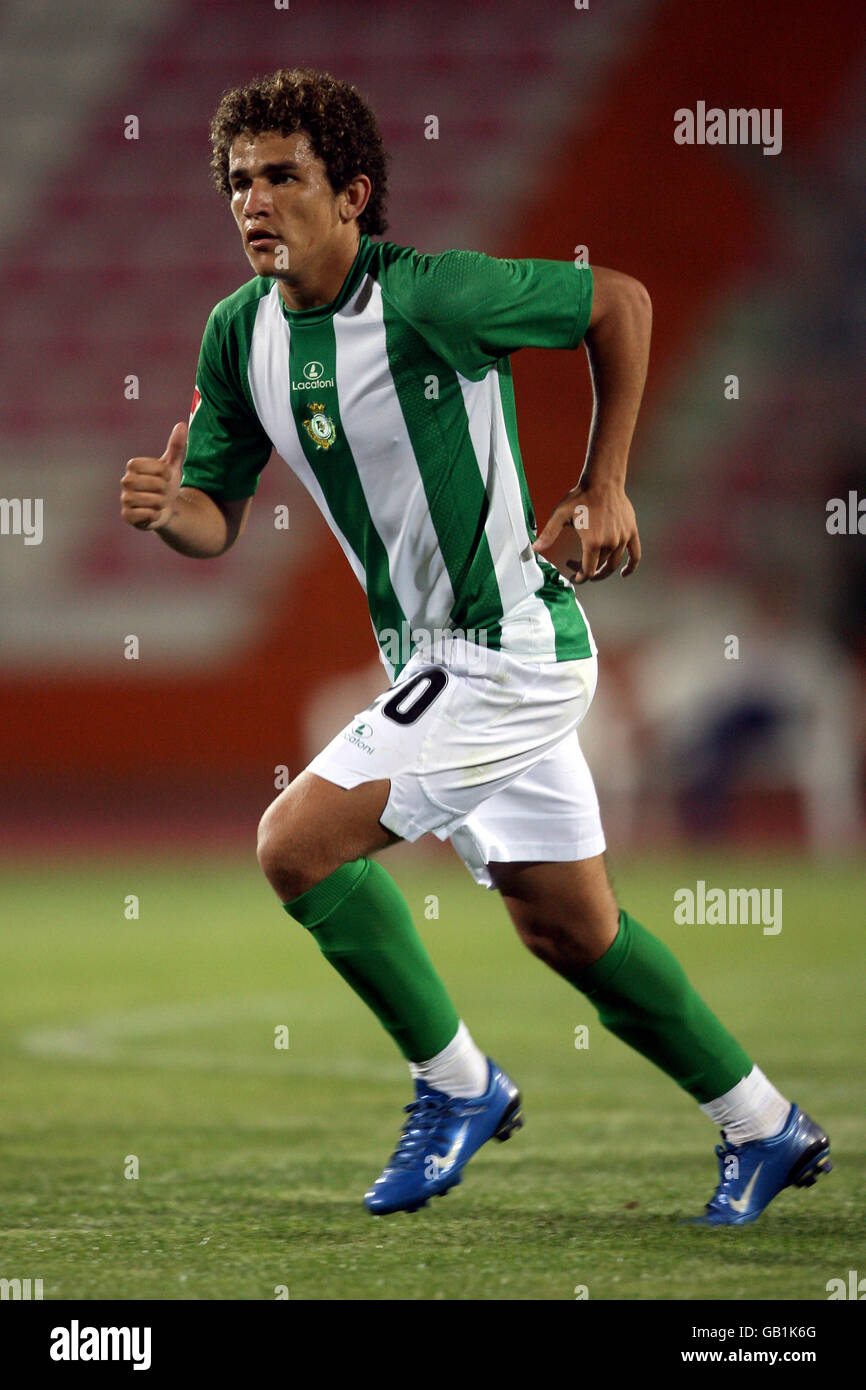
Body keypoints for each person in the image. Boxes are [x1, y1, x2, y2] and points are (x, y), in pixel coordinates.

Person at [121, 67, 830, 1222]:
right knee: (572, 930)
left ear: (350, 194)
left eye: (283, 176)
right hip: (433, 665)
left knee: (293, 845)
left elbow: (624, 304)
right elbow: (213, 515)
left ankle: (456, 1086)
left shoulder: (431, 297)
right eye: (238, 180)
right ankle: (764, 1125)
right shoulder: (237, 335)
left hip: (505, 649)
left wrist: (602, 484)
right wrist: (170, 512)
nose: (254, 200)